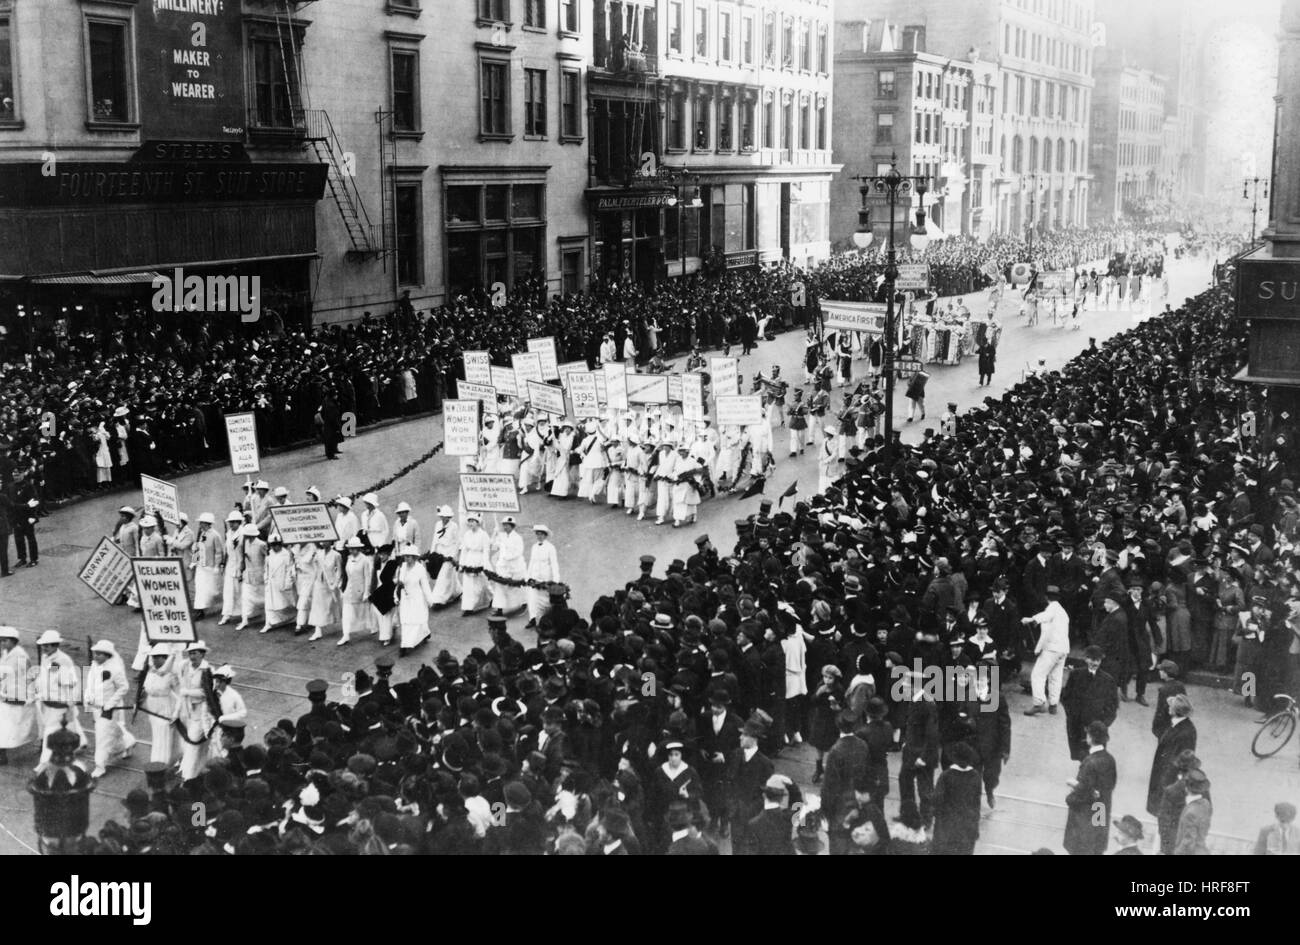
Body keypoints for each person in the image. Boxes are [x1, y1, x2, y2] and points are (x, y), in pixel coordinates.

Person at [84, 640, 136, 779]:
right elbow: (89, 683)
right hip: (96, 707)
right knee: (113, 732)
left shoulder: (115, 669)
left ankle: (100, 766)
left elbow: (123, 687)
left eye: (99, 654)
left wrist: (110, 704)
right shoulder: (94, 666)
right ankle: (128, 742)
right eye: (95, 653)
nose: (96, 656)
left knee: (102, 737)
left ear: (107, 655)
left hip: (109, 709)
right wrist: (88, 698)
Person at [1064, 721, 1116, 855]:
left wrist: (1071, 793)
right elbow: (1110, 785)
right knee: (1095, 847)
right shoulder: (1110, 760)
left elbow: (1083, 791)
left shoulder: (1089, 762)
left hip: (1085, 816)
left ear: (1090, 737)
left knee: (1081, 848)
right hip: (1101, 811)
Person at [33, 631, 84, 768]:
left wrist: (70, 703)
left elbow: (72, 684)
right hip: (46, 700)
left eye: (47, 646)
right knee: (67, 725)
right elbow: (45, 676)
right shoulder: (46, 657)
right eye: (43, 645)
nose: (44, 648)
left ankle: (44, 763)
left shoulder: (63, 661)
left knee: (51, 731)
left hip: (59, 702)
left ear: (55, 645)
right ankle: (80, 743)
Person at [1060, 645, 1119, 761]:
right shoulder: (1075, 675)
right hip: (1077, 725)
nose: (1095, 663)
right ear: (1086, 659)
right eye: (1092, 659)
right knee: (1080, 754)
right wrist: (1072, 716)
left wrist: (1103, 724)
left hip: (1096, 727)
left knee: (1095, 755)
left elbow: (1113, 706)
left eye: (1098, 660)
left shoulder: (1108, 680)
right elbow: (1065, 697)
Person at [1023, 586, 1071, 715]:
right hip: (1063, 649)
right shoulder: (1063, 611)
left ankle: (1039, 703)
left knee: (1038, 674)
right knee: (1056, 676)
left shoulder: (1052, 609)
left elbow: (1046, 623)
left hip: (1052, 648)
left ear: (1046, 597)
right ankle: (1053, 705)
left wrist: (1031, 619)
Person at [931, 741, 982, 855]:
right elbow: (976, 804)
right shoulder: (975, 776)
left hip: (947, 827)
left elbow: (937, 800)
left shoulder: (946, 775)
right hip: (967, 828)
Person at [140, 643, 179, 766]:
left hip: (165, 708)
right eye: (153, 657)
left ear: (165, 658)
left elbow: (181, 696)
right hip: (152, 708)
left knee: (164, 738)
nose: (154, 660)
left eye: (157, 657)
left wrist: (176, 713)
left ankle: (160, 765)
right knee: (157, 737)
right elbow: (146, 689)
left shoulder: (172, 674)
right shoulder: (151, 671)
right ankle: (170, 760)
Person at [0, 626, 34, 765]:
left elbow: (26, 677)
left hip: (15, 696)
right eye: (0, 640)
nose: (2, 643)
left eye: (5, 640)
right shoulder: (5, 653)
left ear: (14, 641)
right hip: (4, 693)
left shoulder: (20, 656)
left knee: (8, 726)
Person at [395, 543, 434, 656]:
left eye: (409, 556)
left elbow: (425, 585)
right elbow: (399, 583)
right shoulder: (402, 567)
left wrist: (430, 600)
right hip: (405, 598)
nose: (406, 558)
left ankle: (407, 644)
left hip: (416, 598)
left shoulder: (420, 568)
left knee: (416, 621)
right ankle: (418, 636)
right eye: (405, 556)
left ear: (414, 557)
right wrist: (396, 595)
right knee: (406, 621)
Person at [340, 536, 375, 646]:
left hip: (360, 591)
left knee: (363, 612)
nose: (352, 551)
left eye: (354, 548)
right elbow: (346, 574)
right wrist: (342, 586)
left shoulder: (365, 560)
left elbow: (367, 577)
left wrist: (366, 592)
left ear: (359, 549)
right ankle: (345, 635)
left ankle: (374, 626)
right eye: (350, 548)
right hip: (349, 591)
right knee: (346, 612)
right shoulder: (349, 558)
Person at [746, 775, 795, 855]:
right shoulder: (788, 817)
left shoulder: (753, 824)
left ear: (764, 795)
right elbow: (798, 803)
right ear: (781, 799)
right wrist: (791, 783)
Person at [489, 516, 528, 616]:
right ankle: (499, 609)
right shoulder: (502, 536)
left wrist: (507, 557)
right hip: (503, 567)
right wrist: (494, 533)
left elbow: (519, 552)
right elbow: (493, 546)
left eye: (507, 525)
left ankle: (524, 604)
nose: (505, 527)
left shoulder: (517, 538)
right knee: (500, 586)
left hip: (516, 567)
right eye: (504, 525)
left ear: (512, 526)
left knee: (517, 587)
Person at [306, 540, 343, 642]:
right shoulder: (318, 553)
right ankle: (317, 631)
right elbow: (313, 566)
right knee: (317, 606)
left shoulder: (336, 555)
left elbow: (339, 571)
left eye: (326, 541)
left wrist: (335, 584)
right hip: (319, 583)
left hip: (330, 584)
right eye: (323, 541)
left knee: (331, 606)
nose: (323, 543)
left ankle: (346, 628)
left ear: (330, 542)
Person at [260, 531, 297, 633]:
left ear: (281, 544)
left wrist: (287, 583)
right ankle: (268, 623)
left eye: (277, 544)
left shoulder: (286, 555)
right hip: (271, 584)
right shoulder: (269, 554)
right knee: (269, 604)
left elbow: (290, 570)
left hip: (282, 582)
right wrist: (266, 579)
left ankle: (292, 617)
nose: (275, 547)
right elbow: (266, 568)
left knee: (285, 604)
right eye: (273, 545)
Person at [525, 525, 560, 629]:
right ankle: (533, 619)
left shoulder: (550, 548)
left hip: (545, 578)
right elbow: (531, 562)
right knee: (532, 599)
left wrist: (555, 580)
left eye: (541, 534)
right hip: (535, 577)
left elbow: (554, 564)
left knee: (546, 599)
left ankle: (546, 619)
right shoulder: (534, 547)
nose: (539, 536)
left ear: (545, 535)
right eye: (537, 534)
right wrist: (528, 576)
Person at [457, 513, 493, 615]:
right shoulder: (467, 534)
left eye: (473, 521)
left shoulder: (483, 535)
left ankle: (492, 597)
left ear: (478, 523)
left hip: (480, 559)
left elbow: (486, 550)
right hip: (469, 560)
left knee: (484, 583)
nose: (470, 523)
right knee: (468, 585)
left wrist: (485, 564)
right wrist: (461, 564)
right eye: (469, 521)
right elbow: (464, 550)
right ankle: (468, 607)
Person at [191, 512, 224, 618]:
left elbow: (219, 552)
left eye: (201, 523)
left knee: (211, 590)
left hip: (210, 567)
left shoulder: (215, 535)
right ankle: (199, 610)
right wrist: (194, 561)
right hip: (201, 566)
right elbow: (198, 548)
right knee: (200, 588)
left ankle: (218, 604)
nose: (200, 525)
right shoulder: (201, 534)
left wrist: (217, 566)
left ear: (207, 523)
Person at [428, 506, 462, 606]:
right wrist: (432, 552)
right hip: (439, 553)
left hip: (449, 553)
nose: (444, 518)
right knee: (449, 575)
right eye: (442, 516)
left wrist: (452, 556)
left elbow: (457, 542)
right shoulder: (438, 524)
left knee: (443, 575)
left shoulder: (454, 526)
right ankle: (457, 591)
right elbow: (435, 538)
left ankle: (438, 599)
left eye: (446, 517)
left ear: (449, 517)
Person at [1173, 770, 1213, 855]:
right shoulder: (1205, 804)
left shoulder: (1190, 812)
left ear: (1186, 788)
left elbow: (1188, 841)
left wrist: (1176, 853)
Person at [217, 510, 244, 625]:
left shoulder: (243, 533)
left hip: (240, 566)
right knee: (228, 591)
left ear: (239, 522)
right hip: (230, 567)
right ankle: (226, 614)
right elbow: (226, 551)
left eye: (233, 522)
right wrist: (223, 563)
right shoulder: (228, 534)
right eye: (230, 522)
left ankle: (245, 615)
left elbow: (244, 551)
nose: (231, 524)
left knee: (241, 592)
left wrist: (243, 568)